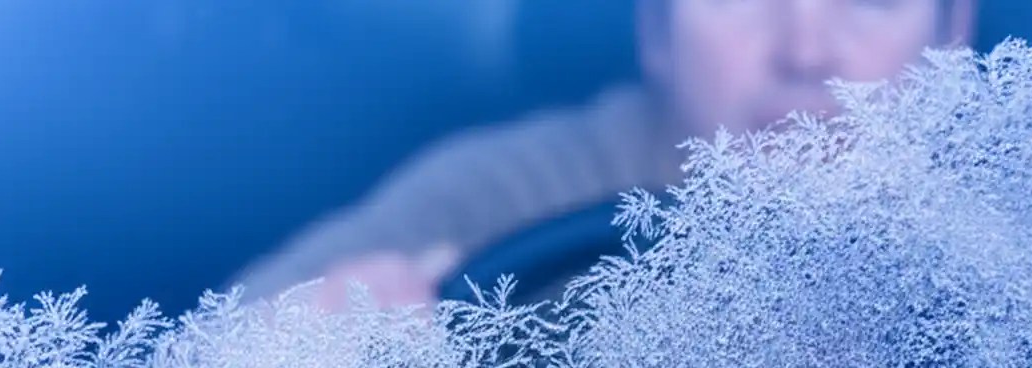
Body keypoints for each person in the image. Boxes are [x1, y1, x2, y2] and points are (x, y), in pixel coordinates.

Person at [235, 0, 978, 310]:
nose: (806, 50)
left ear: (951, 33)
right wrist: (306, 359)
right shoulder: (507, 190)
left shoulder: (1021, 236)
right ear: (654, 28)